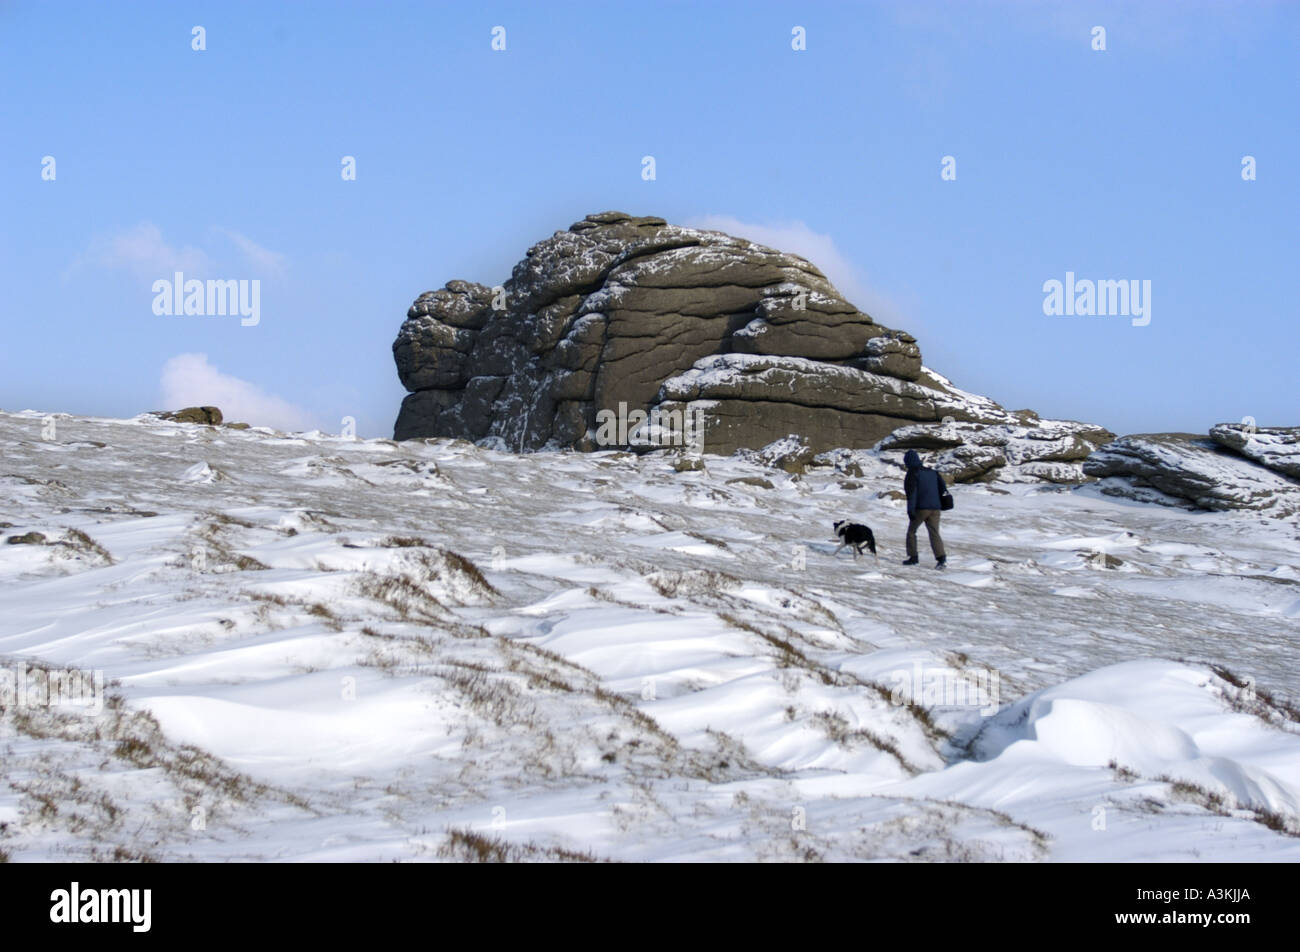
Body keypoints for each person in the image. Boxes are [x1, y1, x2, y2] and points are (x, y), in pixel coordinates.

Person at [902, 449, 947, 568]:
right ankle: (941, 559)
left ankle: (913, 557)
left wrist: (910, 510)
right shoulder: (932, 472)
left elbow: (912, 493)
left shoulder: (913, 473)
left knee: (911, 532)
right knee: (934, 533)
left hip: (921, 508)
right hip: (935, 508)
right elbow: (942, 488)